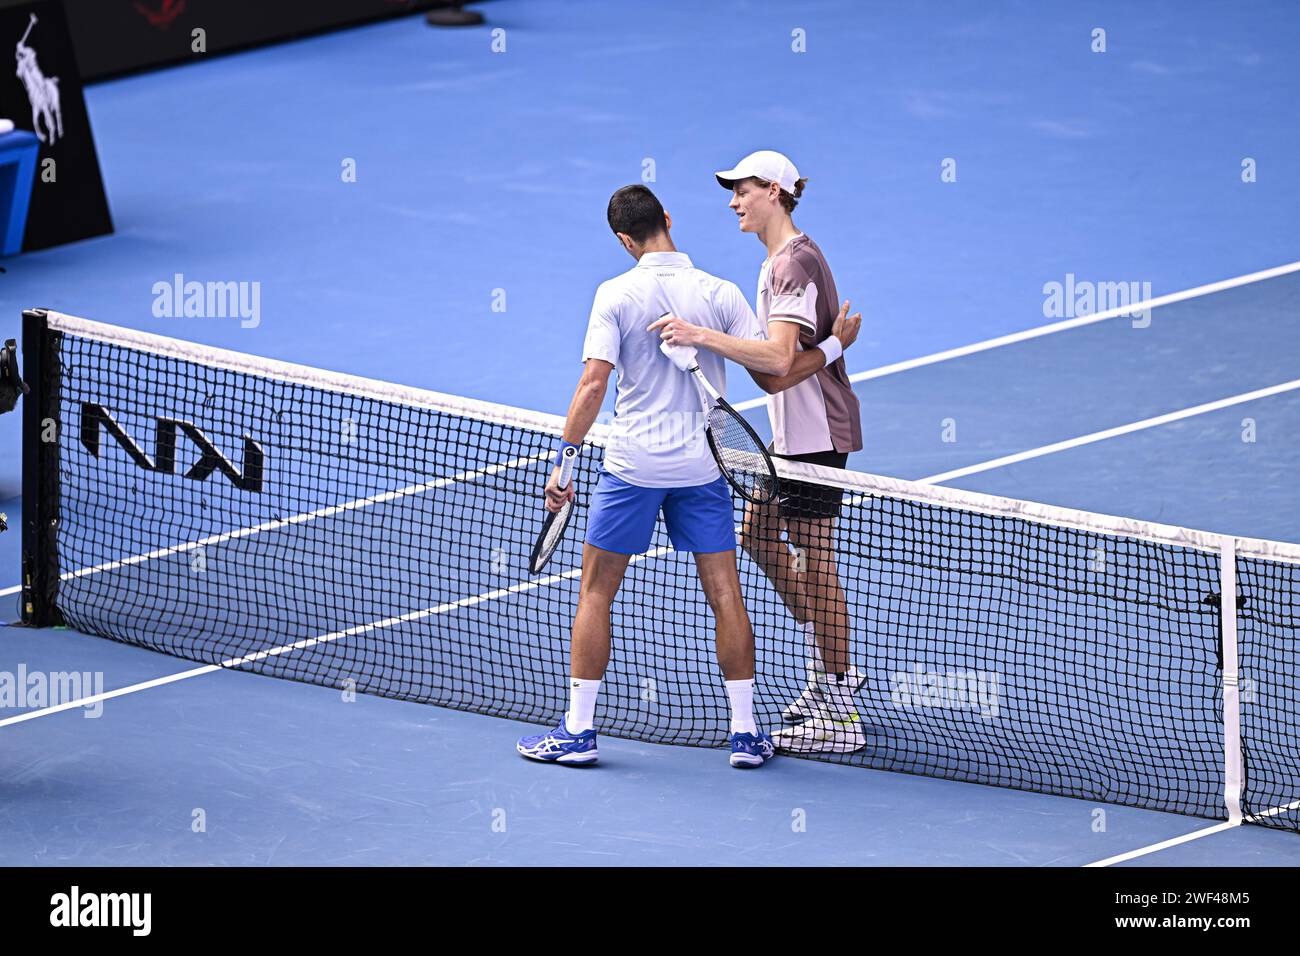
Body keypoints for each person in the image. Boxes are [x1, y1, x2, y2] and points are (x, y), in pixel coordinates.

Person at [516, 184, 781, 768]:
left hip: (633, 466)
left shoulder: (615, 294)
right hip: (700, 467)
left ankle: (579, 732)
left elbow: (593, 385)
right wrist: (831, 348)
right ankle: (744, 733)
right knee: (725, 594)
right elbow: (770, 363)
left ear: (623, 239)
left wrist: (564, 459)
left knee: (595, 592)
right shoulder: (720, 292)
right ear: (667, 217)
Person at [650, 150, 866, 754]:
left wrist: (698, 335)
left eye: (741, 190)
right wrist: (828, 349)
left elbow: (774, 362)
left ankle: (840, 700)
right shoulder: (783, 260)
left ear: (773, 191)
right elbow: (775, 376)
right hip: (794, 431)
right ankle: (832, 665)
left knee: (816, 560)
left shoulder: (789, 265)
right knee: (756, 533)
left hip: (816, 434)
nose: (732, 201)